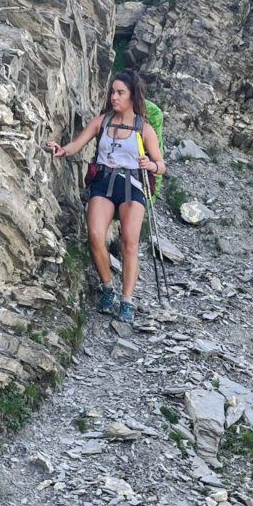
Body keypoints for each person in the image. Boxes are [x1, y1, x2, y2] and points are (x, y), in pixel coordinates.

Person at [46, 70, 165, 323]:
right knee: (95, 236)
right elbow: (77, 145)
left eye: (120, 93)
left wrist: (151, 166)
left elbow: (161, 165)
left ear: (132, 96)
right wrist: (61, 150)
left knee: (129, 243)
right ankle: (108, 287)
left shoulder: (144, 128)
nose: (114, 97)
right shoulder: (102, 121)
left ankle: (127, 300)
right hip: (103, 182)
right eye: (112, 92)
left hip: (132, 185)